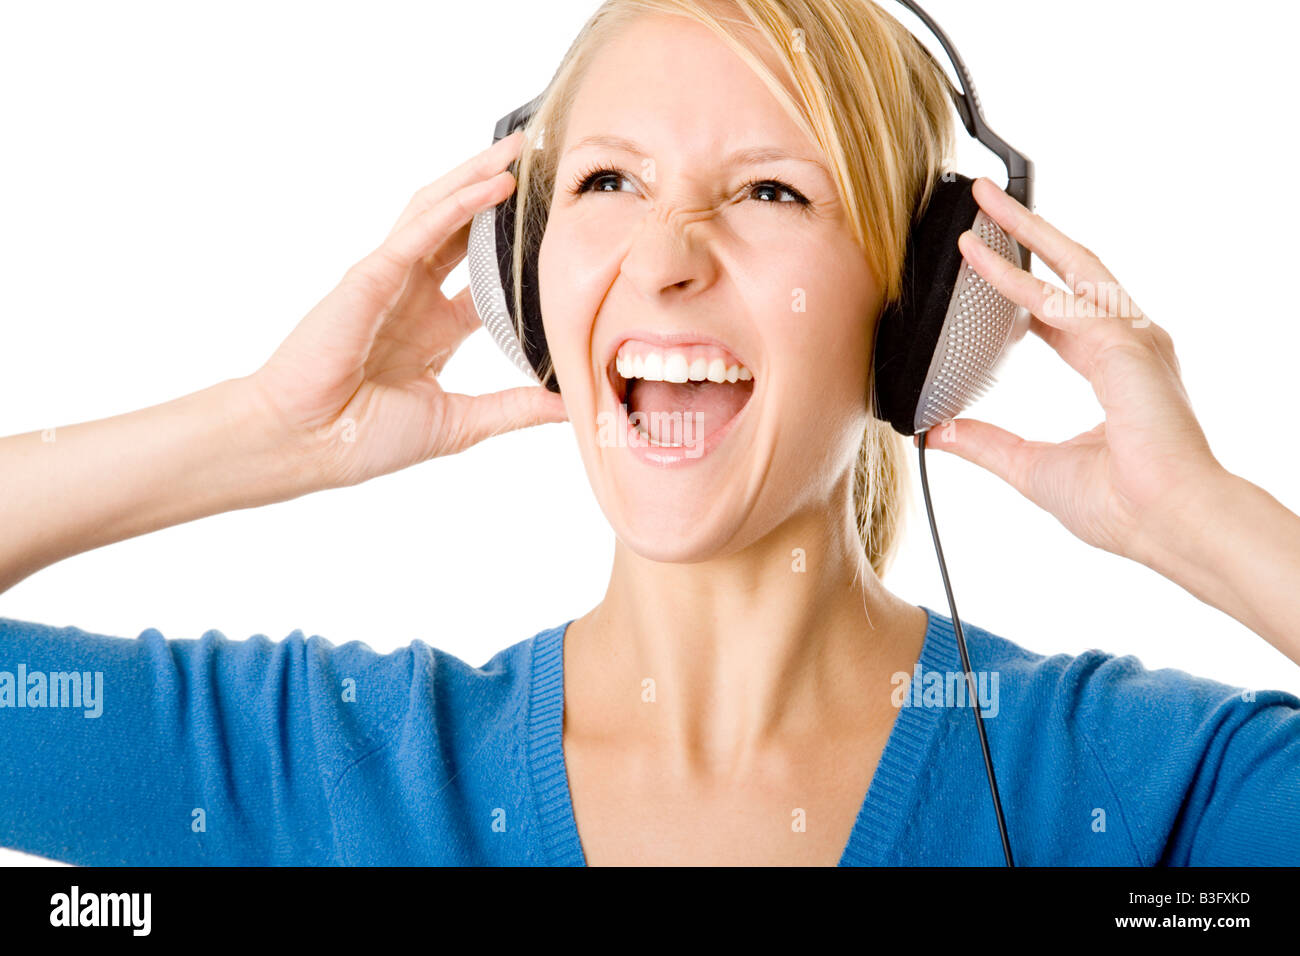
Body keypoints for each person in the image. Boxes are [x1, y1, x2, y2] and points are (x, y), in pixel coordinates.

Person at [2, 0, 1298, 866]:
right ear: (527, 273)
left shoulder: (1133, 789)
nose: (665, 261)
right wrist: (266, 433)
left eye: (772, 190)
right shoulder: (336, 767)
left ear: (924, 310)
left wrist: (1205, 522)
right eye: (608, 180)